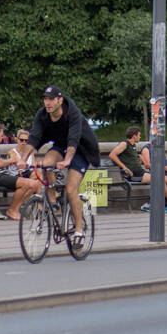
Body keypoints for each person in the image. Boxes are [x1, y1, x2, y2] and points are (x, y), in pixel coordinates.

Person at [27, 85, 102, 248]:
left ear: (60, 100)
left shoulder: (72, 113)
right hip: (60, 147)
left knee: (70, 189)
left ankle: (79, 231)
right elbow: (33, 138)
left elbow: (74, 140)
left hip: (80, 151)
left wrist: (67, 160)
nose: (47, 103)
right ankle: (53, 201)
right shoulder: (42, 115)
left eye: (51, 99)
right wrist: (22, 159)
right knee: (46, 164)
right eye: (45, 99)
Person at [0, 124, 41, 220]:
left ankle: (15, 209)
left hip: (3, 176)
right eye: (1, 134)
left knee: (34, 184)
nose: (2, 137)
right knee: (27, 184)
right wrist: (11, 160)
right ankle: (12, 210)